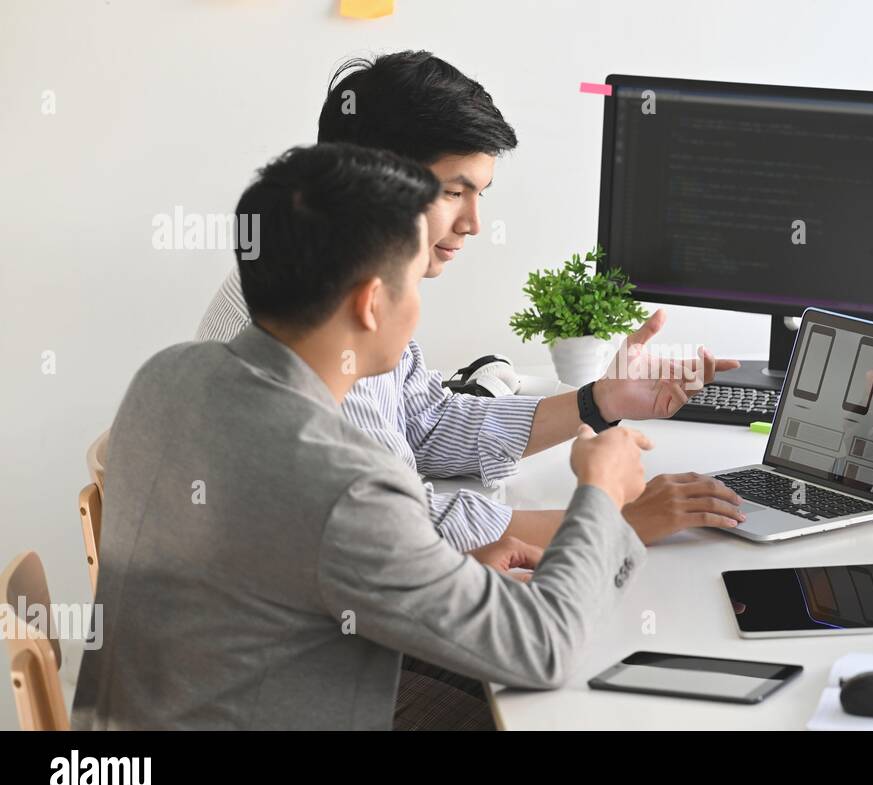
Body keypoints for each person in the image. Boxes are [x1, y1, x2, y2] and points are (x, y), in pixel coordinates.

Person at [73, 143, 653, 730]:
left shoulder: (167, 374)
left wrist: (433, 574)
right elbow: (543, 648)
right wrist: (602, 494)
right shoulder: (345, 482)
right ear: (372, 303)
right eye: (413, 283)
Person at [195, 51, 746, 554]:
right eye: (455, 192)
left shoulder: (329, 274)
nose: (474, 224)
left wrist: (598, 400)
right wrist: (613, 520)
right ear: (375, 184)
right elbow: (407, 531)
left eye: (480, 195)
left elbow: (427, 423)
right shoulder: (324, 321)